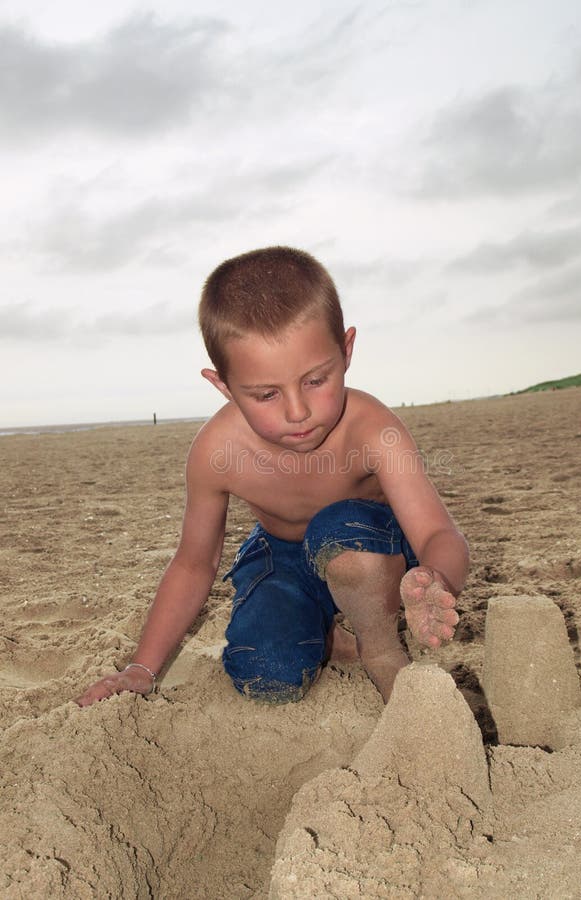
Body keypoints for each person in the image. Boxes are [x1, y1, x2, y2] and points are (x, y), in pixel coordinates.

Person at [76, 247, 469, 707]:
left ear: (345, 351)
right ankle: (328, 637)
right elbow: (193, 563)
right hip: (283, 558)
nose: (297, 411)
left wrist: (438, 581)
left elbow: (438, 532)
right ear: (222, 386)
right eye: (265, 394)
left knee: (340, 528)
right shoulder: (217, 452)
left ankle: (379, 644)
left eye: (316, 381)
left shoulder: (372, 430)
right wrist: (142, 667)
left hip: (368, 551)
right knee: (267, 674)